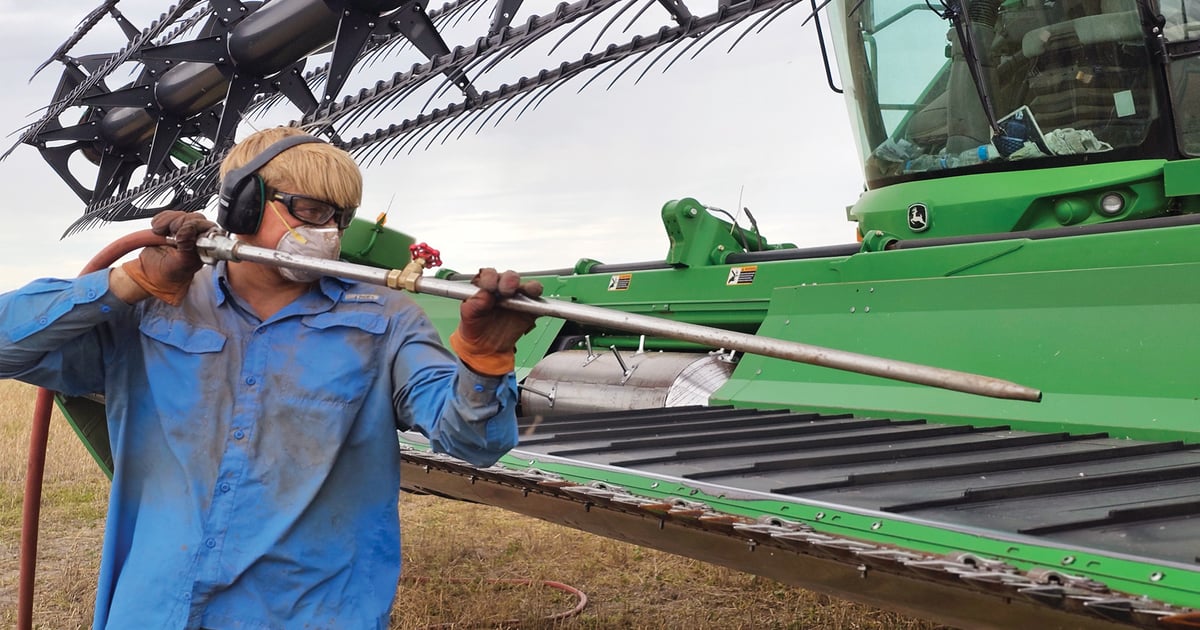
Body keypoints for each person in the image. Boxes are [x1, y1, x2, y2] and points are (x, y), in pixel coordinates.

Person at [0, 126, 543, 629]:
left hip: (311, 611)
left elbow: (474, 443)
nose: (325, 231)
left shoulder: (387, 322)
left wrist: (484, 359)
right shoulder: (154, 311)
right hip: (158, 606)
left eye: (338, 217)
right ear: (242, 203)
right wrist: (131, 280)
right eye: (308, 209)